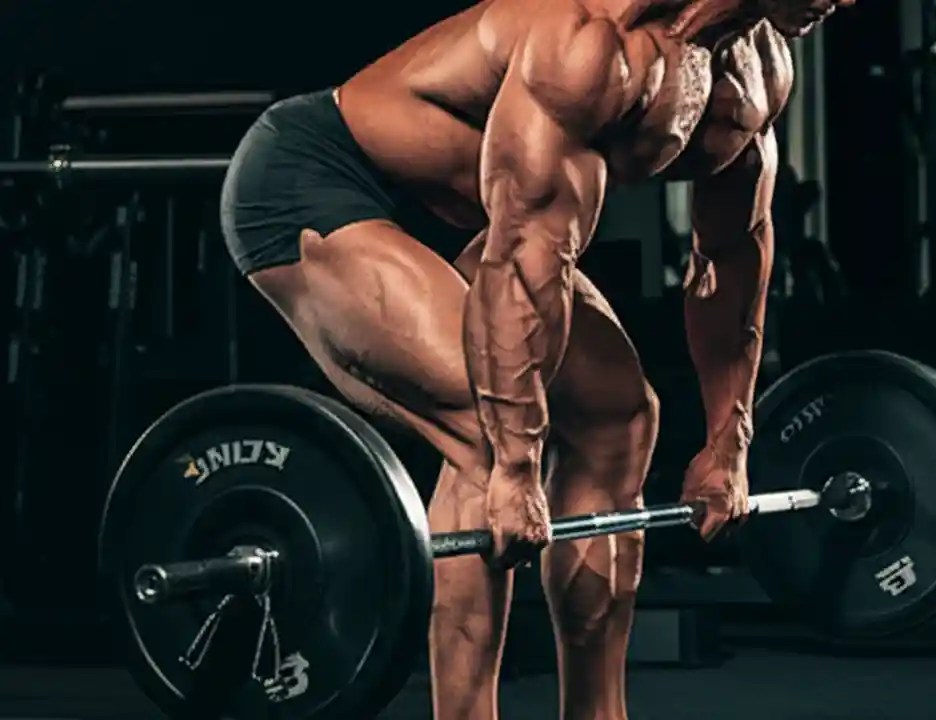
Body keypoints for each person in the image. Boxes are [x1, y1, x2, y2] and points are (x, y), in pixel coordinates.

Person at [219, 0, 852, 716]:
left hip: (489, 219)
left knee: (622, 419)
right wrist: (518, 471)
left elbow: (732, 257)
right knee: (488, 437)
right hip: (326, 185)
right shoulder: (584, 42)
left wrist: (726, 440)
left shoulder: (757, 74)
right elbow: (525, 258)